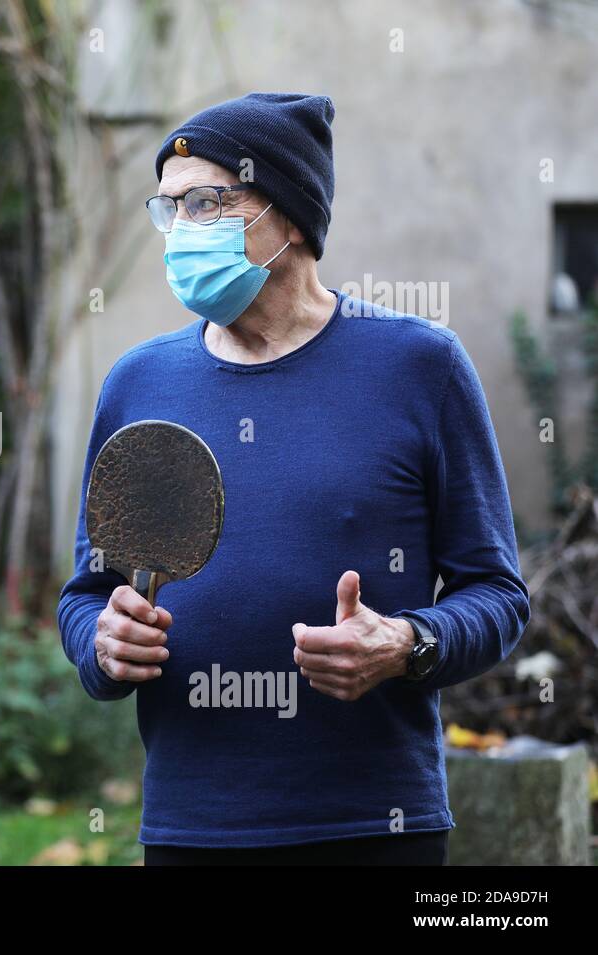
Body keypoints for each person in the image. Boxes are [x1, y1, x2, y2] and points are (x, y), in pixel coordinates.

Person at [57, 93, 529, 865]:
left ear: (293, 216)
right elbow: (87, 592)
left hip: (375, 827)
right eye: (169, 208)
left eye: (208, 202)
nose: (181, 230)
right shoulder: (137, 383)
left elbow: (499, 594)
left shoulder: (420, 366)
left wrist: (408, 641)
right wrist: (103, 646)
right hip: (190, 828)